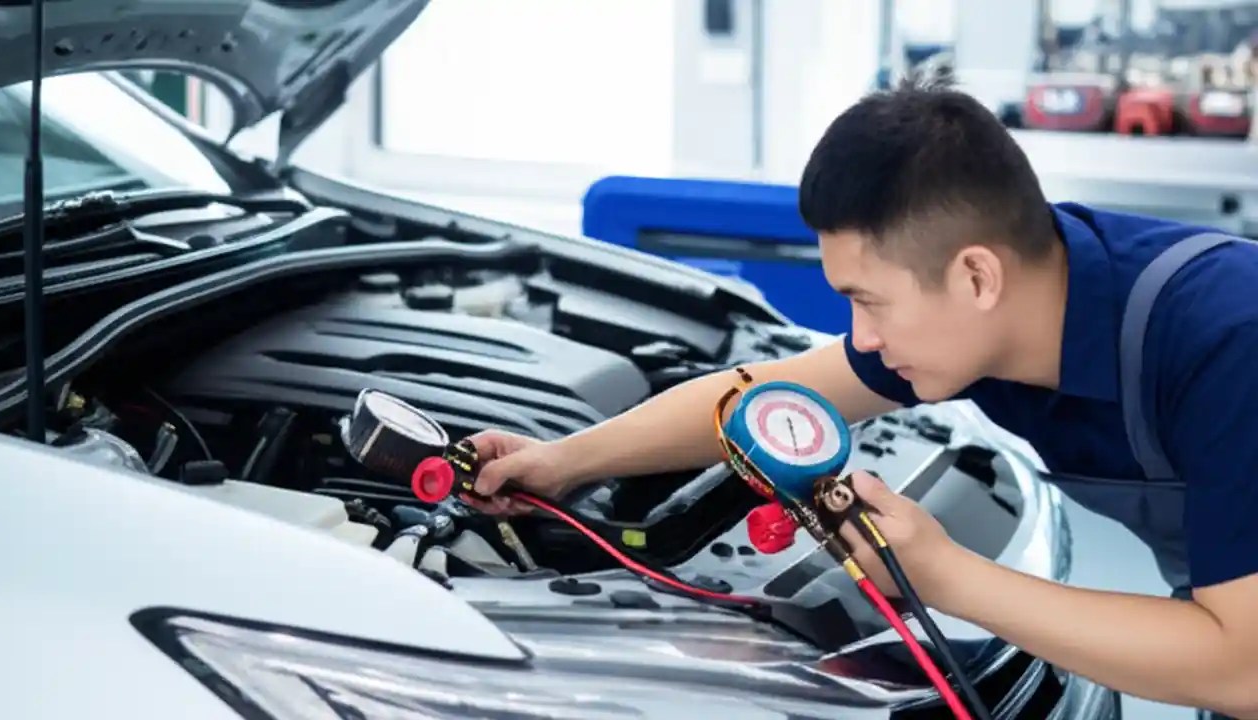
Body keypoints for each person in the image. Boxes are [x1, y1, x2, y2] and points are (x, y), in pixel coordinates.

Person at [462, 78, 1258, 718]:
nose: (861, 338)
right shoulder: (1001, 311)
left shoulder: (1228, 344)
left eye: (867, 300)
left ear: (976, 276)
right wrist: (562, 464)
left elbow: (1242, 671)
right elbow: (757, 396)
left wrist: (944, 576)